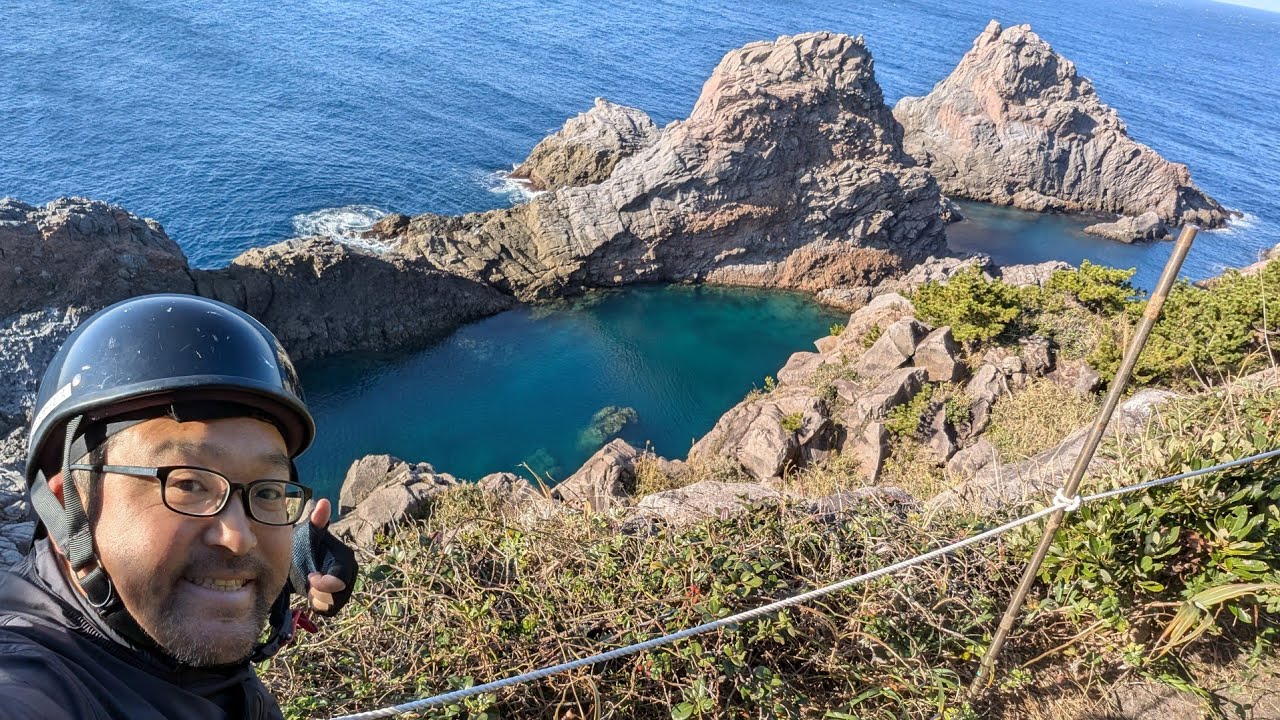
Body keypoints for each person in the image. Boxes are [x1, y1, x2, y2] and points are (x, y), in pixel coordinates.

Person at [0, 294, 358, 719]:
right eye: (188, 484)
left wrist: (293, 562)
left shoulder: (148, 639)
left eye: (266, 492)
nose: (240, 538)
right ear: (68, 505)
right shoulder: (31, 679)